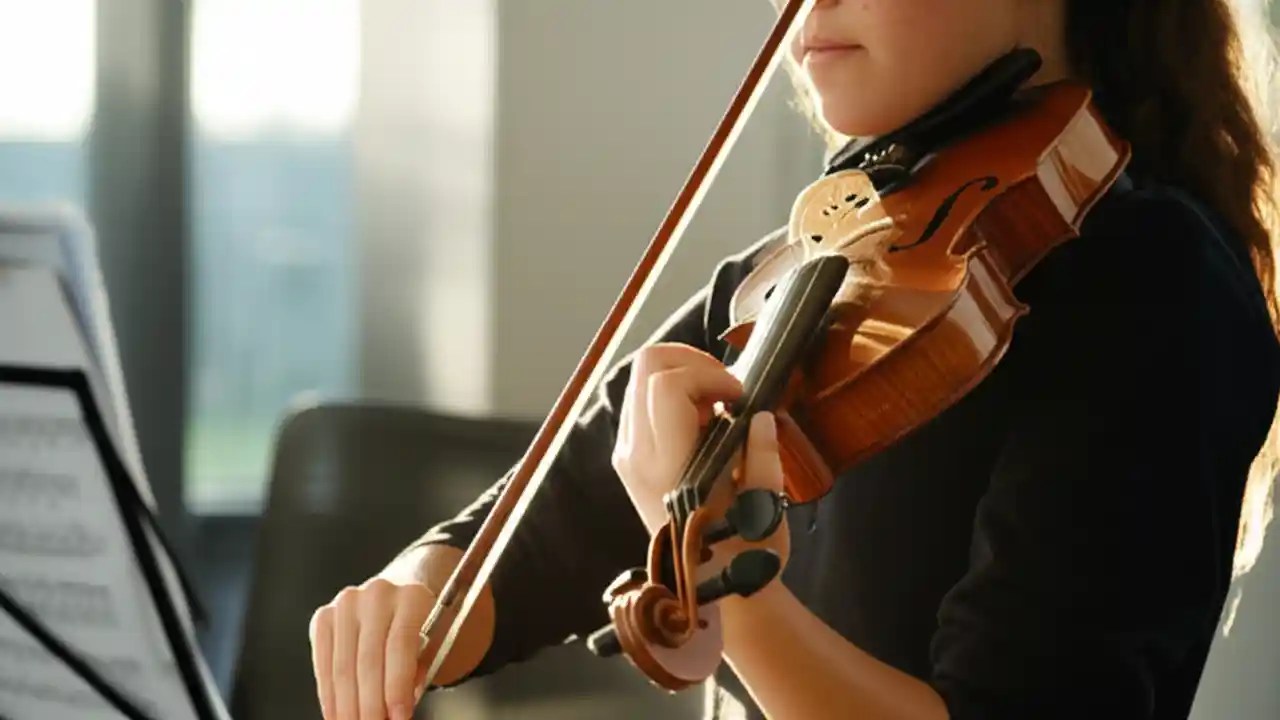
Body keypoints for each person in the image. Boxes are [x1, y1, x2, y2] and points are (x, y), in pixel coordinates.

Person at [308, 1, 1280, 718]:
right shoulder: (826, 253)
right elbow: (551, 519)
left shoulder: (1153, 287)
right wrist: (412, 594)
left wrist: (742, 593)